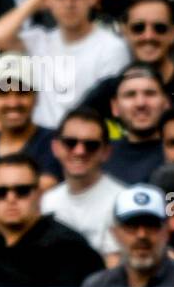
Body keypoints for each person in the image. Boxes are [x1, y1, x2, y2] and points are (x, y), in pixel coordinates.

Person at [0, 0, 130, 129]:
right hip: (40, 144)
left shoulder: (112, 47)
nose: (69, 4)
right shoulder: (40, 40)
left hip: (84, 142)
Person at [0, 154, 105, 287]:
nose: (11, 199)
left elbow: (21, 277)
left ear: (39, 194)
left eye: (22, 190)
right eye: (0, 192)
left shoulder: (68, 246)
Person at [82, 183, 174, 287]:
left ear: (166, 230)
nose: (142, 235)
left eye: (151, 225)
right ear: (115, 233)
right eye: (132, 226)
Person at [42, 106, 124, 263]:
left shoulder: (121, 201)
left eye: (91, 145)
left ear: (106, 152)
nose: (80, 151)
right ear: (55, 148)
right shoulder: (47, 201)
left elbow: (113, 269)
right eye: (70, 143)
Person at [0, 79, 62, 193]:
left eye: (22, 93)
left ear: (36, 97)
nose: (13, 103)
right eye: (2, 94)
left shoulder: (56, 143)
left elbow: (43, 191)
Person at [105, 65, 170, 185]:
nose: (140, 103)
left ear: (166, 102)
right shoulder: (100, 155)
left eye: (150, 93)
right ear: (115, 107)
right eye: (130, 95)